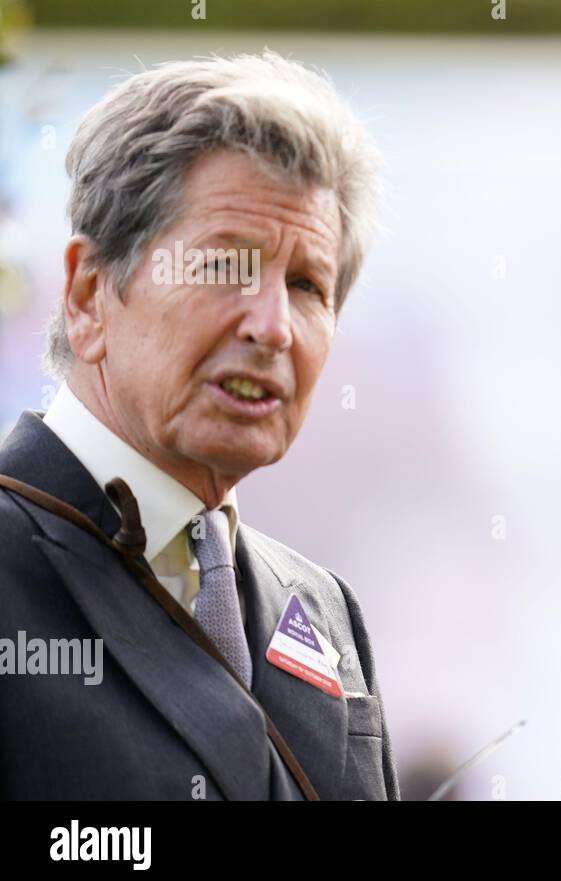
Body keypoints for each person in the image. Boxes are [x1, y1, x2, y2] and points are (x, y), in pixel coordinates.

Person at [0, 51, 398, 800]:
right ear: (89, 295)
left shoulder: (323, 608)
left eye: (308, 284)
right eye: (225, 267)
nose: (274, 326)